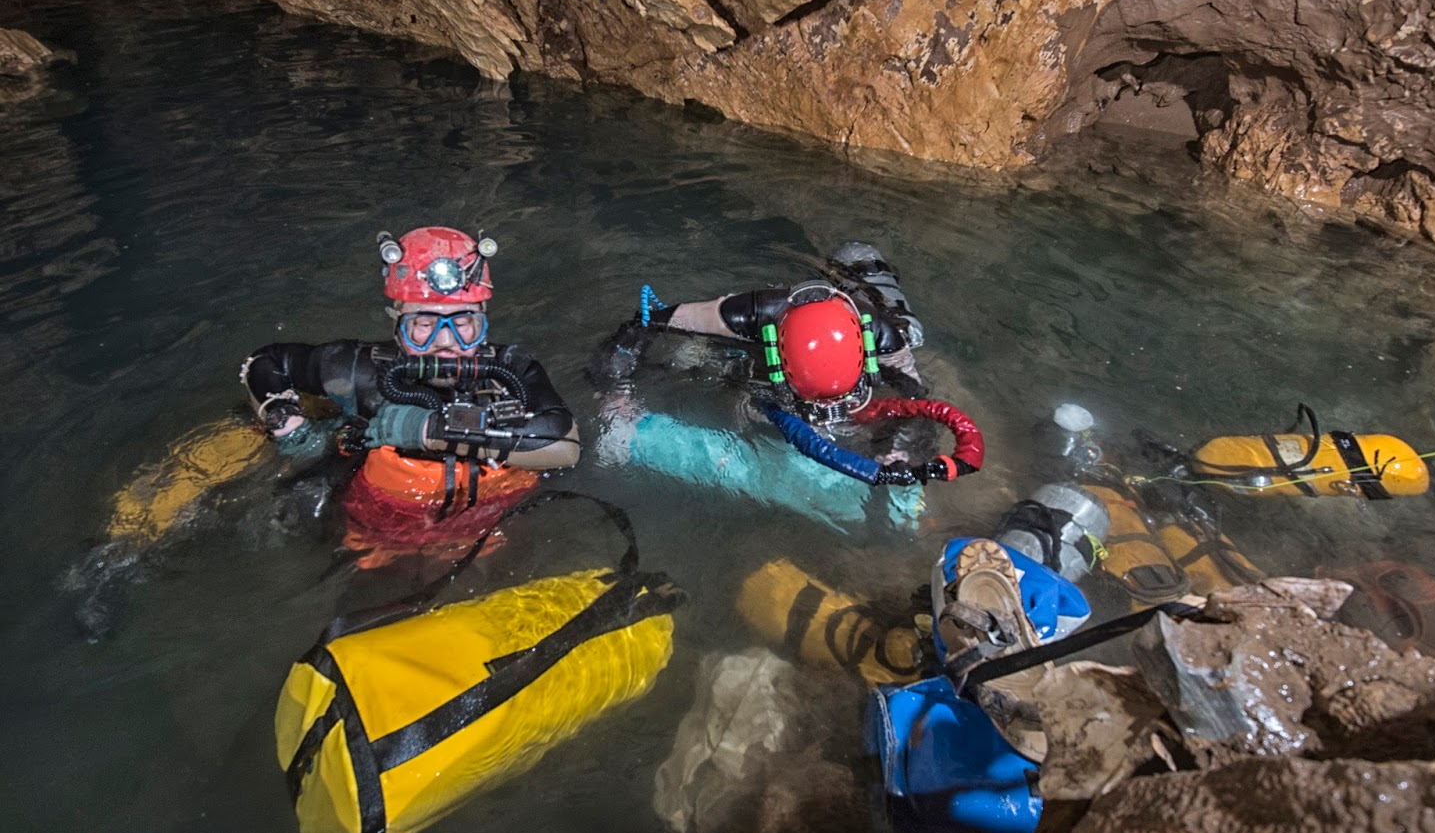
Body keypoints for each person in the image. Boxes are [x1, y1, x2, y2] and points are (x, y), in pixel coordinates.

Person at [242, 226, 580, 569]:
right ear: (397, 324)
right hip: (377, 538)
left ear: (483, 322)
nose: (445, 341)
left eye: (464, 323)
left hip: (491, 530)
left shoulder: (511, 369)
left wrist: (428, 431)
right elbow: (266, 362)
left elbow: (564, 447)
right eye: (423, 325)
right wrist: (284, 421)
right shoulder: (360, 370)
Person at [591, 243, 983, 531]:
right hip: (756, 343)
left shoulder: (883, 337)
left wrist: (907, 445)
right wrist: (615, 389)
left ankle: (856, 269)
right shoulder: (739, 316)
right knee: (690, 359)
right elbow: (642, 324)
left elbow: (915, 397)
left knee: (911, 331)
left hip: (857, 332)